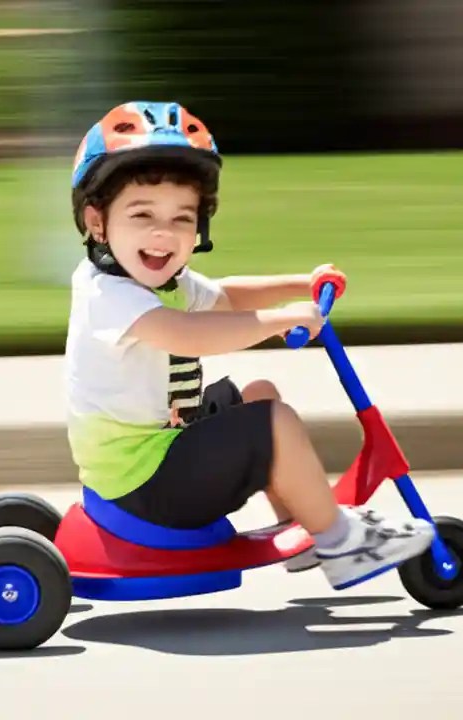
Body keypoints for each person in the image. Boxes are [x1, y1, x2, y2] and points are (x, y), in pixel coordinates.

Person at [63, 101, 434, 590]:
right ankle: (344, 543)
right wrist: (276, 322)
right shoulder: (107, 293)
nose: (163, 233)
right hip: (141, 485)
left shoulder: (162, 282)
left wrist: (301, 283)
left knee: (259, 394)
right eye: (142, 214)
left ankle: (300, 525)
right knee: (273, 425)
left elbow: (226, 296)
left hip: (156, 453)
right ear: (97, 222)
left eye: (182, 218)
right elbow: (187, 334)